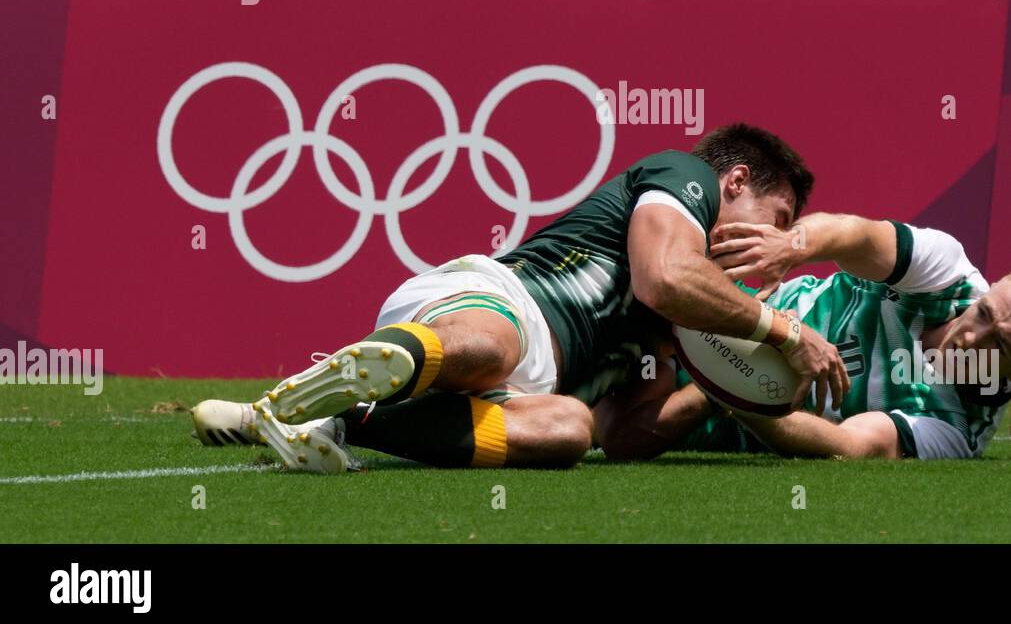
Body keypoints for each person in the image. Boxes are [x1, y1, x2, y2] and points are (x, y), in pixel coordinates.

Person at [193, 124, 849, 471]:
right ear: (734, 181)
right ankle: (336, 382)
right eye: (781, 217)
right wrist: (785, 333)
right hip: (489, 300)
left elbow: (624, 435)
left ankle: (331, 416)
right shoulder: (686, 176)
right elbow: (663, 278)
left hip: (520, 387)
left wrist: (724, 388)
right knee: (492, 348)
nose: (780, 242)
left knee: (568, 430)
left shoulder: (688, 320)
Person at [594, 213, 1011, 461]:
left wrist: (738, 386)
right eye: (984, 313)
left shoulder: (956, 428)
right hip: (735, 305)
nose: (970, 337)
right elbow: (856, 235)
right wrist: (788, 247)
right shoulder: (949, 274)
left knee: (593, 429)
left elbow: (846, 446)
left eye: (998, 346)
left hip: (718, 410)